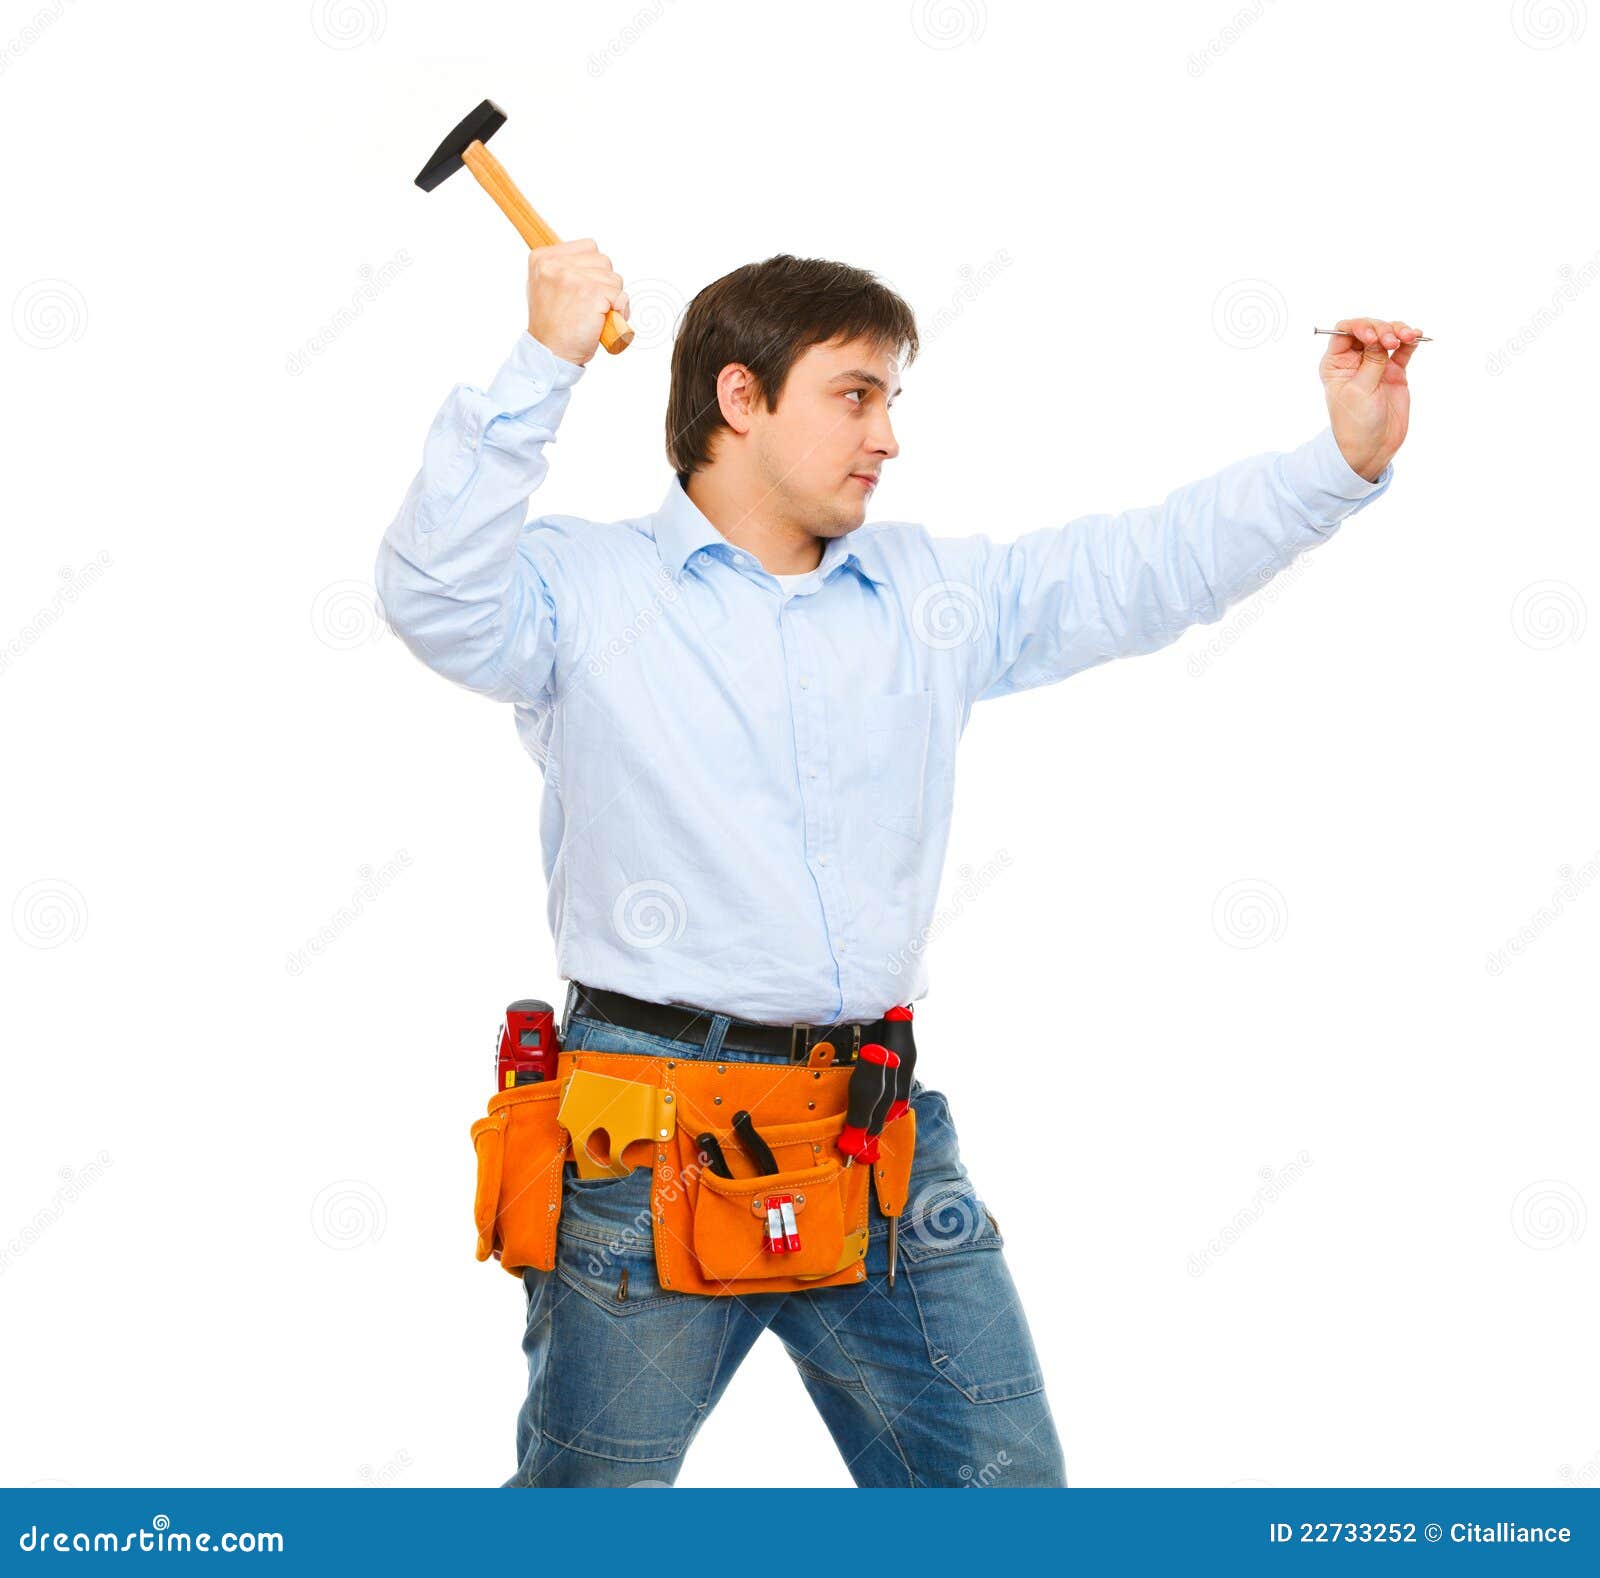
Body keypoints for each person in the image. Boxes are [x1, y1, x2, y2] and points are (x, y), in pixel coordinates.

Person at [374, 240, 1420, 1487]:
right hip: (645, 1145)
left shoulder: (928, 593)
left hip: (873, 1138)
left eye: (889, 400)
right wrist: (543, 360)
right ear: (740, 398)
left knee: (1002, 1505)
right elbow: (432, 589)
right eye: (854, 394)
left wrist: (1338, 465)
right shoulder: (580, 591)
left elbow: (1143, 568)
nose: (885, 436)